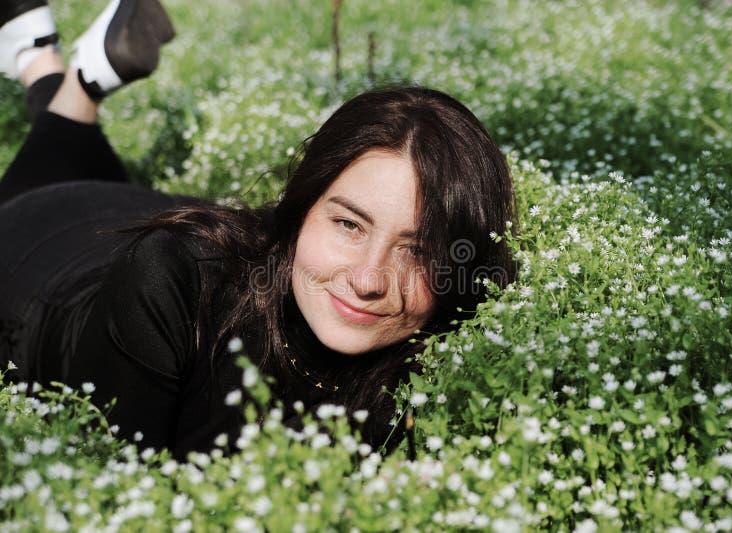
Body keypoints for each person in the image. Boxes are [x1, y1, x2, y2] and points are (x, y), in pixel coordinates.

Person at [0, 0, 518, 461]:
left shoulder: (458, 350)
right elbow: (113, 485)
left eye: (417, 251)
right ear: (300, 208)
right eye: (347, 224)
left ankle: (51, 63)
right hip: (44, 253)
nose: (368, 280)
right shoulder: (172, 278)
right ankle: (70, 76)